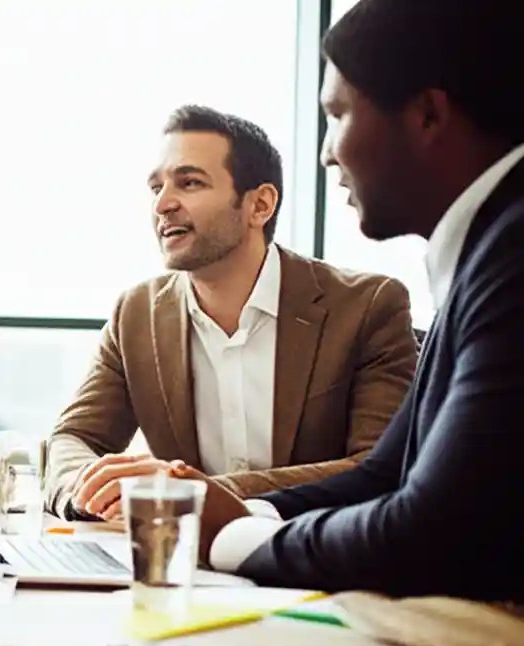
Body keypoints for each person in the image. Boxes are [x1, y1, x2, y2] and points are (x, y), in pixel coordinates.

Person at [199, 0, 524, 601]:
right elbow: (387, 475)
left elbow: (429, 533)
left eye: (338, 114)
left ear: (428, 114)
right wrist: (241, 512)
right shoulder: (489, 245)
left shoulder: (513, 255)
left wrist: (237, 541)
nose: (327, 153)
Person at [44, 105, 418, 521]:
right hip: (189, 565)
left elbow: (378, 469)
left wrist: (194, 493)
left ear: (260, 205)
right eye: (156, 188)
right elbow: (73, 438)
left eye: (189, 183)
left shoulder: (368, 307)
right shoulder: (136, 314)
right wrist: (88, 492)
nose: (163, 204)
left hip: (311, 556)